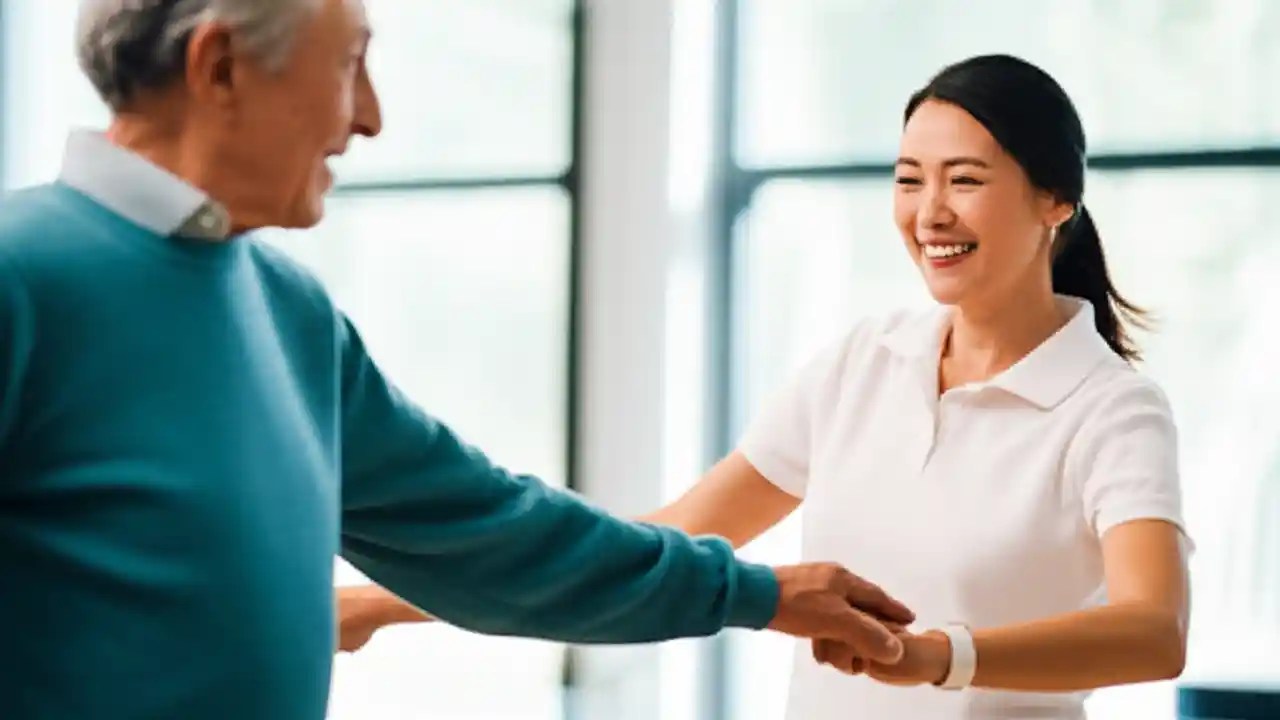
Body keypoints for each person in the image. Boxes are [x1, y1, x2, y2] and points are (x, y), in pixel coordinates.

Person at [0, 1, 917, 718]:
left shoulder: (291, 312)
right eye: (350, 63)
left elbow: (493, 535)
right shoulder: (22, 278)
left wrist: (756, 592)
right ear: (221, 66)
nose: (369, 117)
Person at [340, 54, 1192, 719]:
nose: (929, 211)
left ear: (1055, 200)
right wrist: (385, 601)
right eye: (908, 178)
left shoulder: (1110, 408)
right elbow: (662, 542)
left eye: (965, 179)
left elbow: (1154, 632)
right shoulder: (866, 360)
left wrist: (939, 657)